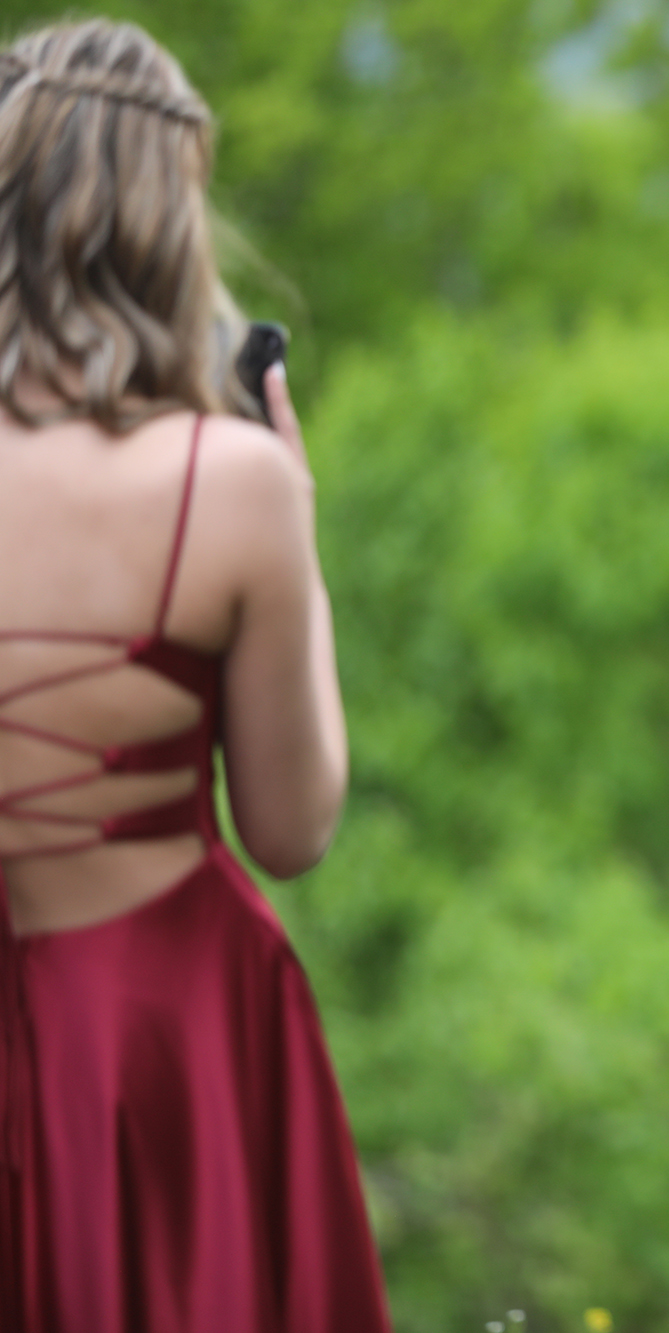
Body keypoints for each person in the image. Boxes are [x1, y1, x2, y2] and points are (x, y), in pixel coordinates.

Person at [0, 20, 391, 1332]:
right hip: (170, 1036)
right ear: (166, 214)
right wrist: (300, 525)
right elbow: (292, 827)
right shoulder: (226, 483)